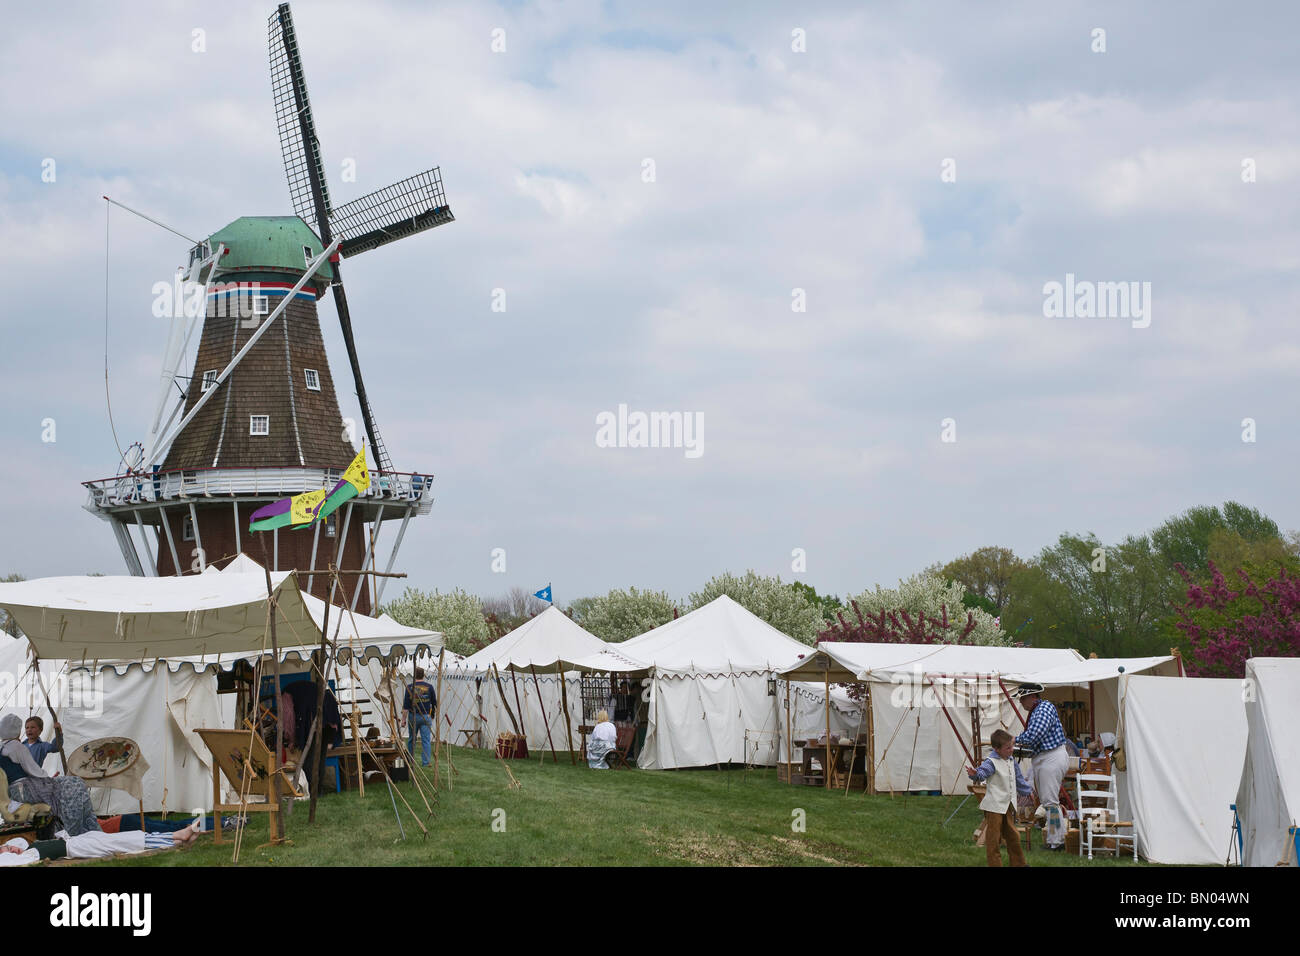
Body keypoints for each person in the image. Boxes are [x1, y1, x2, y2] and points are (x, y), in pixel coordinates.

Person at [0, 714, 100, 836]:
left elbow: (55, 746)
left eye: (33, 727)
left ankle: (62, 825)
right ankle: (74, 828)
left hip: (17, 788)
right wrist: (47, 780)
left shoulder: (10, 746)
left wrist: (58, 733)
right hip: (29, 785)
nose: (29, 730)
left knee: (61, 789)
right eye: (26, 728)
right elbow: (32, 769)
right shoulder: (17, 746)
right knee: (74, 783)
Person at [1013, 683, 1069, 850]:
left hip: (1051, 757)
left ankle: (1057, 841)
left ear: (1032, 696)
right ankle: (1055, 839)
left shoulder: (1044, 708)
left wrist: (1013, 740)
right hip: (1046, 758)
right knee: (1048, 802)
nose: (1021, 702)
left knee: (1051, 802)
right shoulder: (1039, 710)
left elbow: (1033, 736)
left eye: (1023, 698)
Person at [968, 729, 1032, 867]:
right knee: (993, 839)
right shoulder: (991, 762)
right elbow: (982, 772)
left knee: (1013, 835)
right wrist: (975, 774)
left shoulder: (1011, 760)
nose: (1011, 749)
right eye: (1007, 747)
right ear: (997, 749)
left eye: (1012, 746)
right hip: (994, 807)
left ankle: (1018, 864)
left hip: (1006, 805)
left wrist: (1028, 791)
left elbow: (1018, 779)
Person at [0, 824, 199, 866]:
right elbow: (9, 859)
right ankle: (175, 836)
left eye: (9, 847)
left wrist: (10, 848)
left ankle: (174, 839)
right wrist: (9, 853)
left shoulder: (23, 849)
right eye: (8, 850)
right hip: (75, 848)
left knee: (116, 838)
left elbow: (18, 844)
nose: (11, 848)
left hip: (74, 842)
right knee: (121, 842)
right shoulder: (18, 858)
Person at [401, 666, 437, 767]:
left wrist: (403, 720)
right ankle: (425, 762)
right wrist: (432, 714)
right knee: (426, 740)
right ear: (423, 675)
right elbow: (434, 703)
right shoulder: (429, 687)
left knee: (412, 739)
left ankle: (411, 761)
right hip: (426, 716)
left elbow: (405, 707)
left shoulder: (409, 687)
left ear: (414, 675)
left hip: (413, 716)